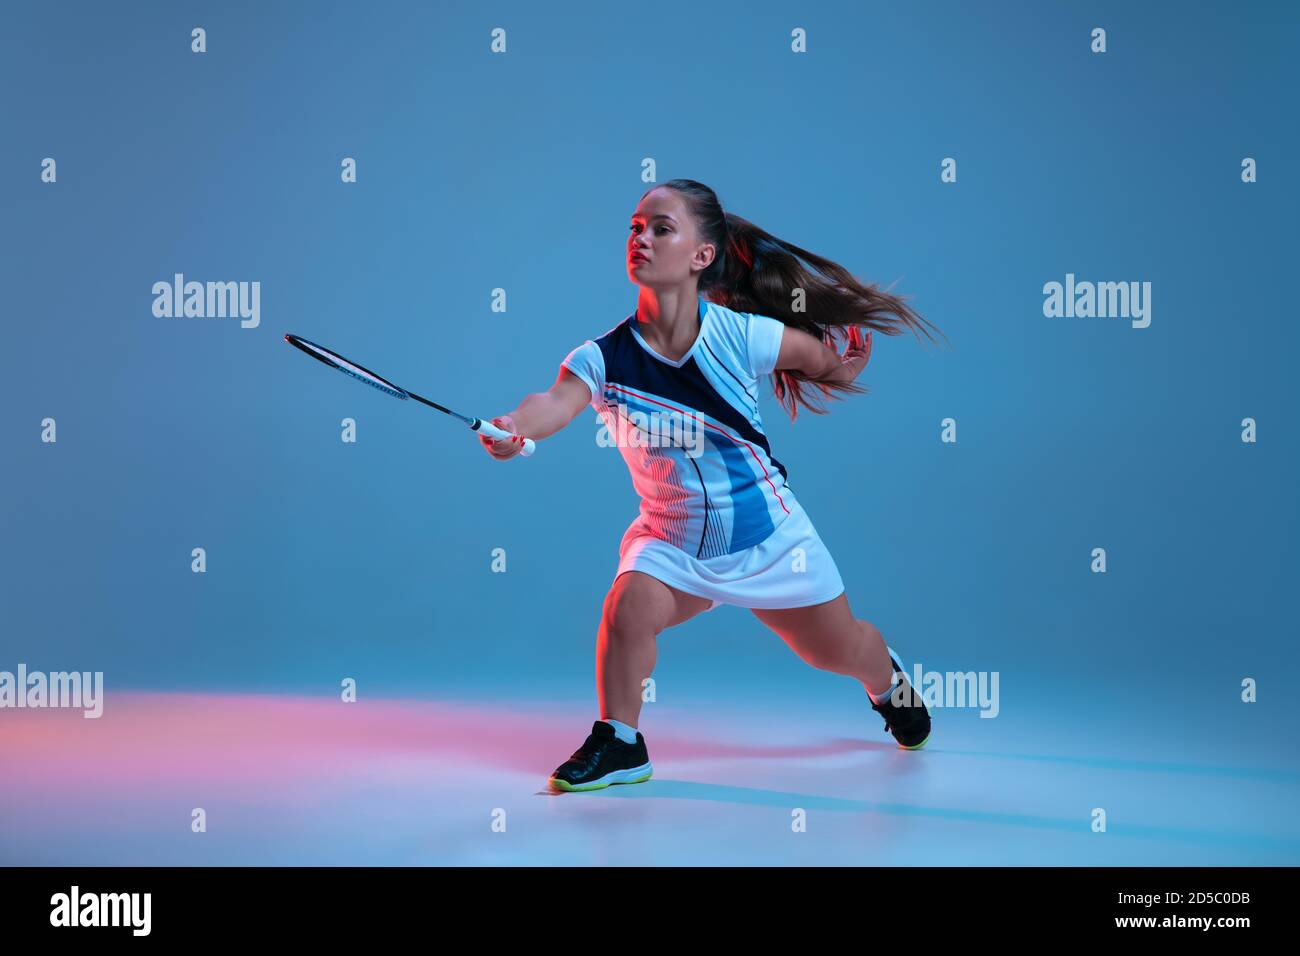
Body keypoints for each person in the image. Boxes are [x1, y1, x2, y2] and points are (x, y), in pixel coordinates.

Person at [481, 179, 947, 791]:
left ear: (703, 256)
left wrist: (843, 364)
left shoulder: (737, 335)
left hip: (771, 539)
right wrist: (517, 427)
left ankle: (886, 681)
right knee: (627, 609)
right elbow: (555, 402)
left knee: (835, 650)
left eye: (660, 228)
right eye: (634, 228)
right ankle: (621, 742)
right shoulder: (602, 359)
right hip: (673, 542)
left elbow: (813, 356)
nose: (640, 237)